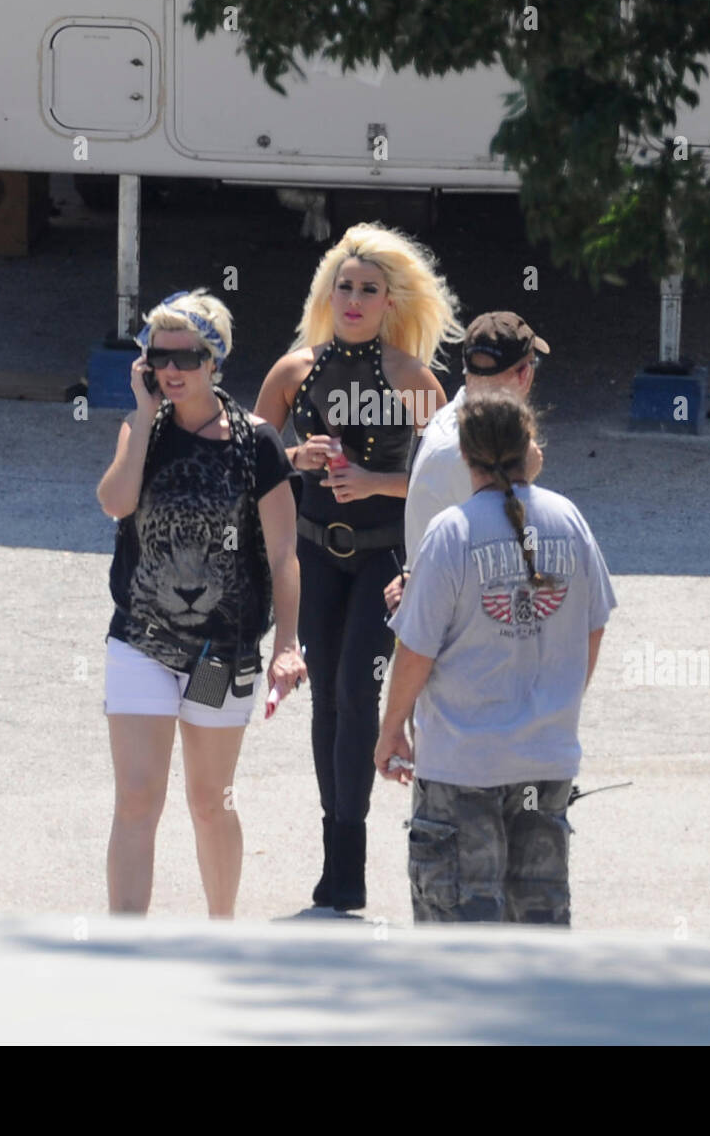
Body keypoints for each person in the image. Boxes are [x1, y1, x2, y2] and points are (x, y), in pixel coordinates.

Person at [255, 223, 459, 912]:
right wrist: (295, 459)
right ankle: (336, 857)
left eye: (369, 289)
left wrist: (374, 480)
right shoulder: (294, 371)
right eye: (344, 285)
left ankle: (352, 855)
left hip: (382, 555)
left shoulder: (411, 377)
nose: (353, 299)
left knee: (354, 689)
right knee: (325, 700)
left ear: (389, 301)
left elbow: (450, 482)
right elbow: (249, 464)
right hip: (314, 550)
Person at [96, 289, 307, 918]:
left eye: (188, 356)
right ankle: (124, 941)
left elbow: (283, 554)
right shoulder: (142, 429)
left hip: (221, 653)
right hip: (141, 643)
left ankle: (222, 930)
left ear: (214, 360)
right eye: (160, 356)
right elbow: (115, 502)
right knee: (136, 797)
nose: (173, 369)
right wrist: (140, 417)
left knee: (210, 799)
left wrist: (289, 645)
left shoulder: (258, 443)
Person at [374, 392, 617, 926]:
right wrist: (558, 702)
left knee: (461, 935)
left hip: (463, 764)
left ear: (464, 454)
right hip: (545, 762)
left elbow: (415, 651)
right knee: (537, 928)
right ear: (530, 448)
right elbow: (594, 625)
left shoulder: (452, 532)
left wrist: (392, 727)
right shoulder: (568, 520)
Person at [383, 311, 550, 614]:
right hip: (450, 621)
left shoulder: (455, 417)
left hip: (438, 605)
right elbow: (504, 542)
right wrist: (524, 477)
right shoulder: (468, 450)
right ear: (525, 375)